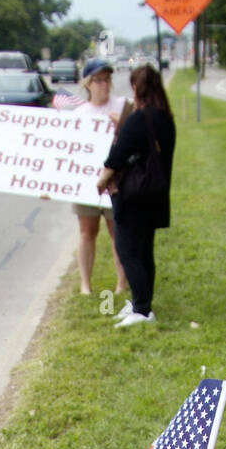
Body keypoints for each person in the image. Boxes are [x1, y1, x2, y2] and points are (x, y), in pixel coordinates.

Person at [96, 64, 175, 328]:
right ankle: (141, 302)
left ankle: (141, 310)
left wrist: (101, 181)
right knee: (144, 251)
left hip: (133, 196)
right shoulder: (165, 117)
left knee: (127, 250)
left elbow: (116, 157)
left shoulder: (138, 118)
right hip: (155, 194)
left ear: (136, 88)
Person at [72, 58, 128, 296]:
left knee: (118, 233)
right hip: (87, 182)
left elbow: (135, 138)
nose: (103, 84)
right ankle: (86, 284)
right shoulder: (80, 113)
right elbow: (66, 151)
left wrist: (122, 124)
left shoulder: (123, 106)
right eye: (98, 80)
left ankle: (121, 284)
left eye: (107, 79)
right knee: (87, 232)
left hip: (116, 181)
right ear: (88, 84)